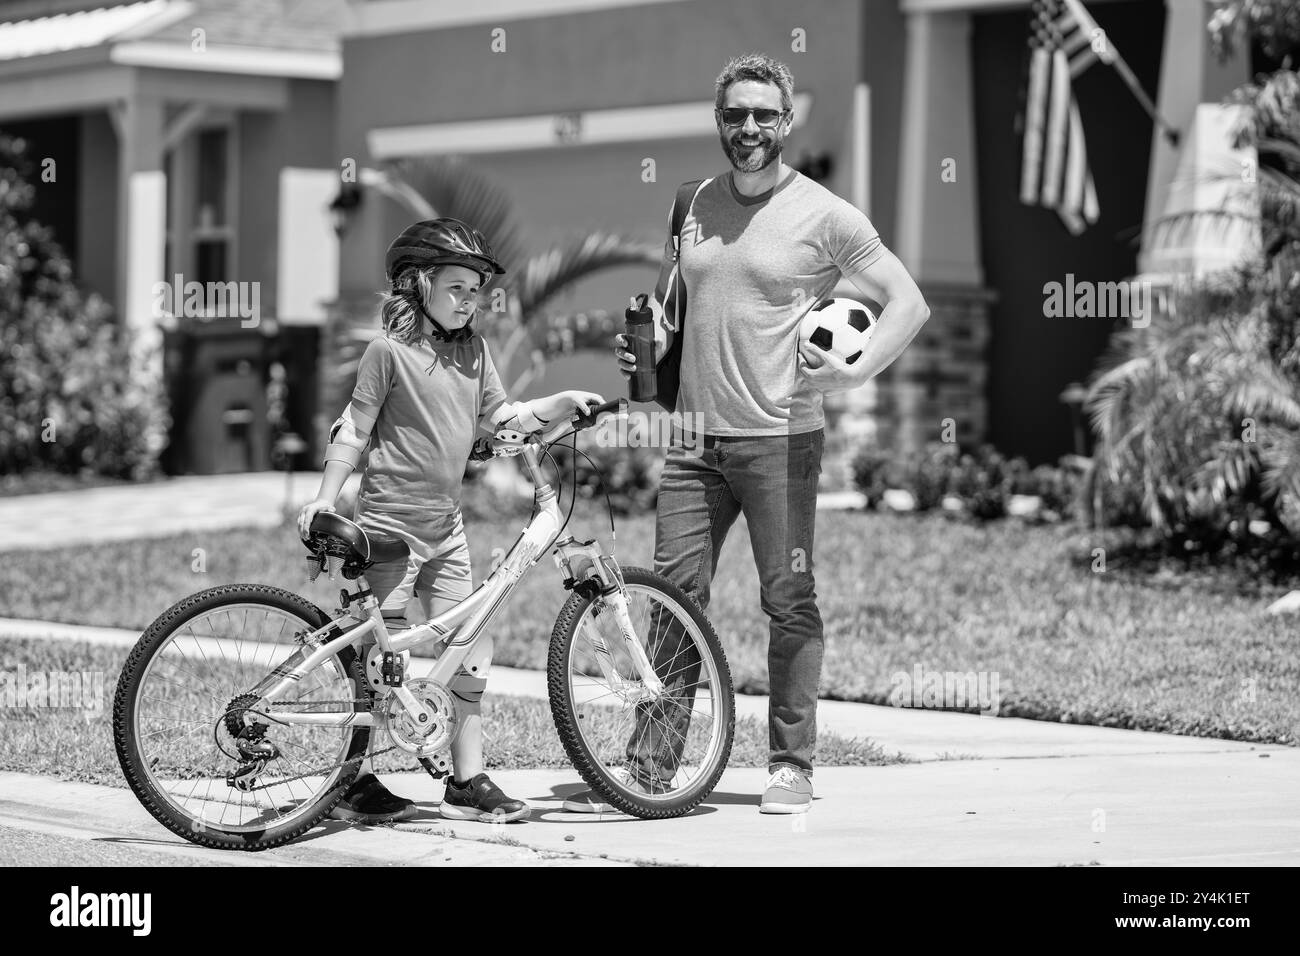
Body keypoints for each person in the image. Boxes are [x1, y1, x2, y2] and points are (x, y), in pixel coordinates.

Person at [567, 52, 930, 815]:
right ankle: (656, 765)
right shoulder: (693, 202)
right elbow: (681, 309)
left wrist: (852, 372)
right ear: (719, 122)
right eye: (736, 115)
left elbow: (908, 302)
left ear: (787, 122)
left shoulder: (825, 214)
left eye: (765, 114)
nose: (750, 128)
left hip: (780, 438)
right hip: (695, 439)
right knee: (672, 596)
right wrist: (649, 348)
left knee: (788, 598)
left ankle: (790, 766)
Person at [298, 218, 602, 824]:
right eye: (458, 287)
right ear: (420, 285)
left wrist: (560, 403)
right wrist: (326, 499)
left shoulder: (474, 354)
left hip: (446, 530)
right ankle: (352, 781)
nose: (471, 300)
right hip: (389, 529)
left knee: (469, 650)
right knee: (378, 662)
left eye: (477, 290)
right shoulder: (389, 353)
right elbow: (354, 428)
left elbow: (503, 419)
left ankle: (467, 781)